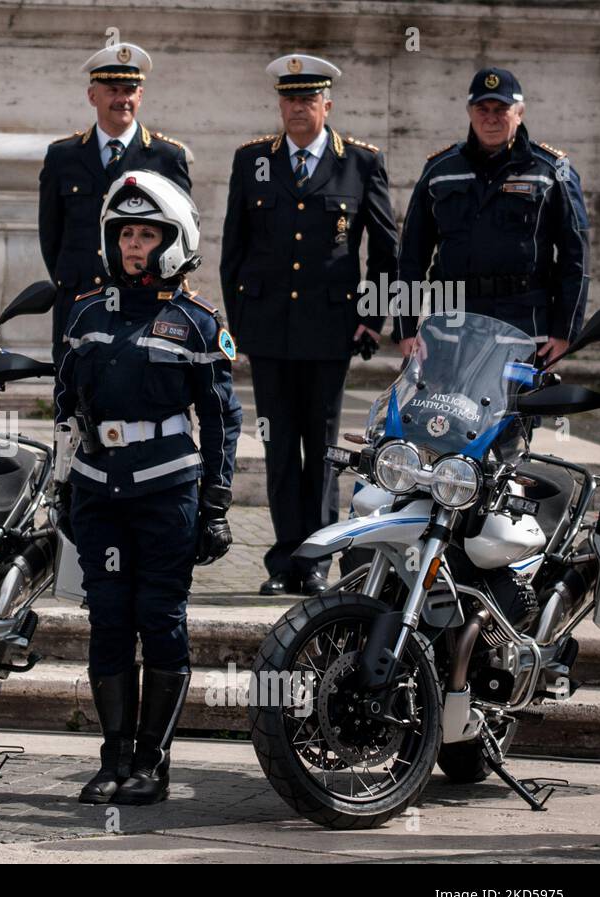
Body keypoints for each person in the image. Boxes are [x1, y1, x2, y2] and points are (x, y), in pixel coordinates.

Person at [53, 170, 241, 805]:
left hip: (167, 492)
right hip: (96, 491)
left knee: (160, 621)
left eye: (147, 234)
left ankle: (152, 765)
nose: (134, 245)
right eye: (125, 233)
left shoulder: (196, 323)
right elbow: (64, 410)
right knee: (107, 622)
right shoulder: (82, 314)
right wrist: (61, 489)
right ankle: (113, 759)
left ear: (174, 239)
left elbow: (222, 419)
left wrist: (216, 505)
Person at [218, 54, 398, 596]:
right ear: (280, 104)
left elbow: (387, 254)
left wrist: (372, 320)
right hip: (270, 332)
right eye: (289, 99)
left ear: (327, 104)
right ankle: (282, 561)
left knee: (321, 450)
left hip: (330, 331)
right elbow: (235, 251)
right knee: (277, 447)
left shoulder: (361, 163)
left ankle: (317, 560)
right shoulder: (253, 161)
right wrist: (240, 327)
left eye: (308, 98)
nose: (297, 108)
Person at [396, 67, 589, 362]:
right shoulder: (440, 171)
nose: (491, 118)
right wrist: (406, 328)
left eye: (501, 109)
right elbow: (411, 257)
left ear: (519, 112)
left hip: (524, 327)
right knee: (442, 409)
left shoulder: (552, 170)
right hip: (450, 326)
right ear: (469, 112)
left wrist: (565, 331)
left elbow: (576, 257)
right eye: (482, 108)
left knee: (517, 409)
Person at [39, 42, 191, 369]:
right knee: (74, 403)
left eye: (130, 90)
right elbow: (51, 236)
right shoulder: (63, 156)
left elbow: (183, 234)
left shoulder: (167, 157)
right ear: (93, 96)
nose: (122, 98)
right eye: (112, 90)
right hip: (79, 299)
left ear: (141, 96)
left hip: (144, 304)